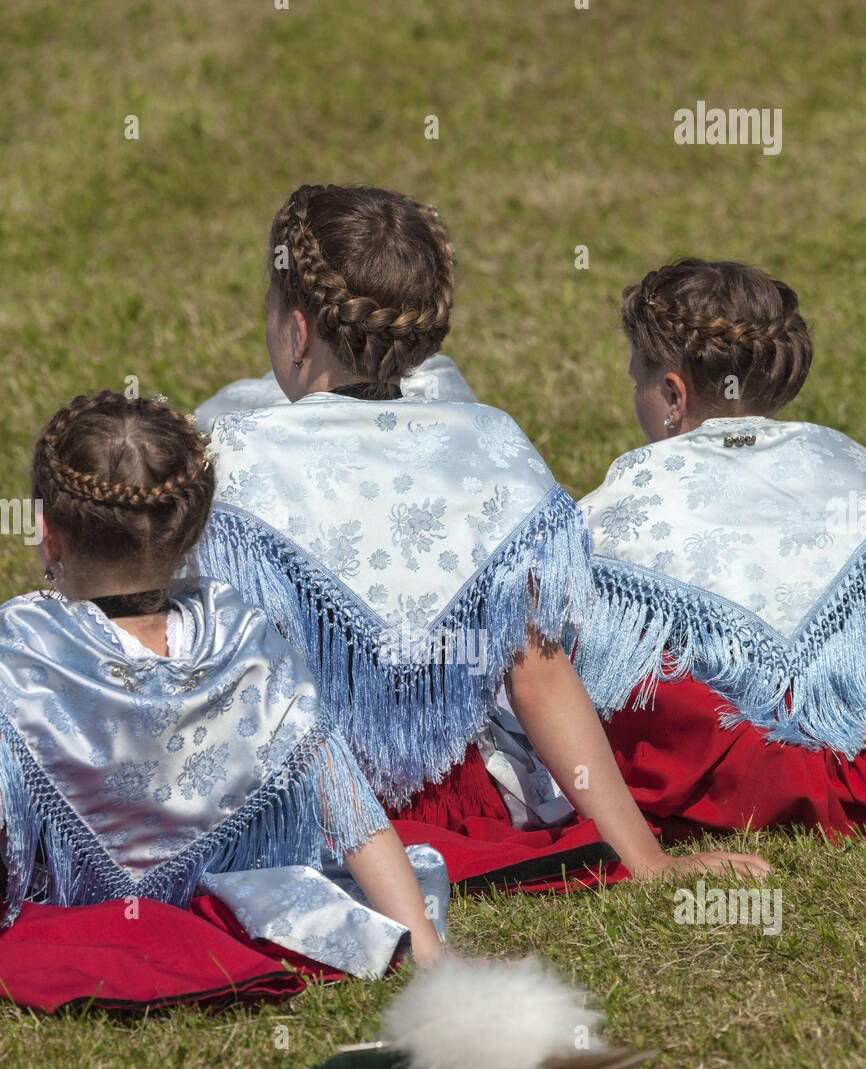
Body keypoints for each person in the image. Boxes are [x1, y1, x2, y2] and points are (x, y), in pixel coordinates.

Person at [195, 184, 767, 883]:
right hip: (460, 802)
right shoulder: (492, 447)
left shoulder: (228, 460)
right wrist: (646, 860)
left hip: (293, 812)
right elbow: (540, 677)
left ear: (297, 328)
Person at [0, 390, 446, 975]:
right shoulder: (242, 637)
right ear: (193, 529)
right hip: (226, 905)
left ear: (46, 532)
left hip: (69, 909)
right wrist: (430, 953)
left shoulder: (22, 650)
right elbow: (350, 809)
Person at [574, 258, 866, 836]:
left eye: (639, 381)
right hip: (852, 753)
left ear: (673, 395)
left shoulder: (624, 500)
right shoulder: (848, 463)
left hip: (723, 774)